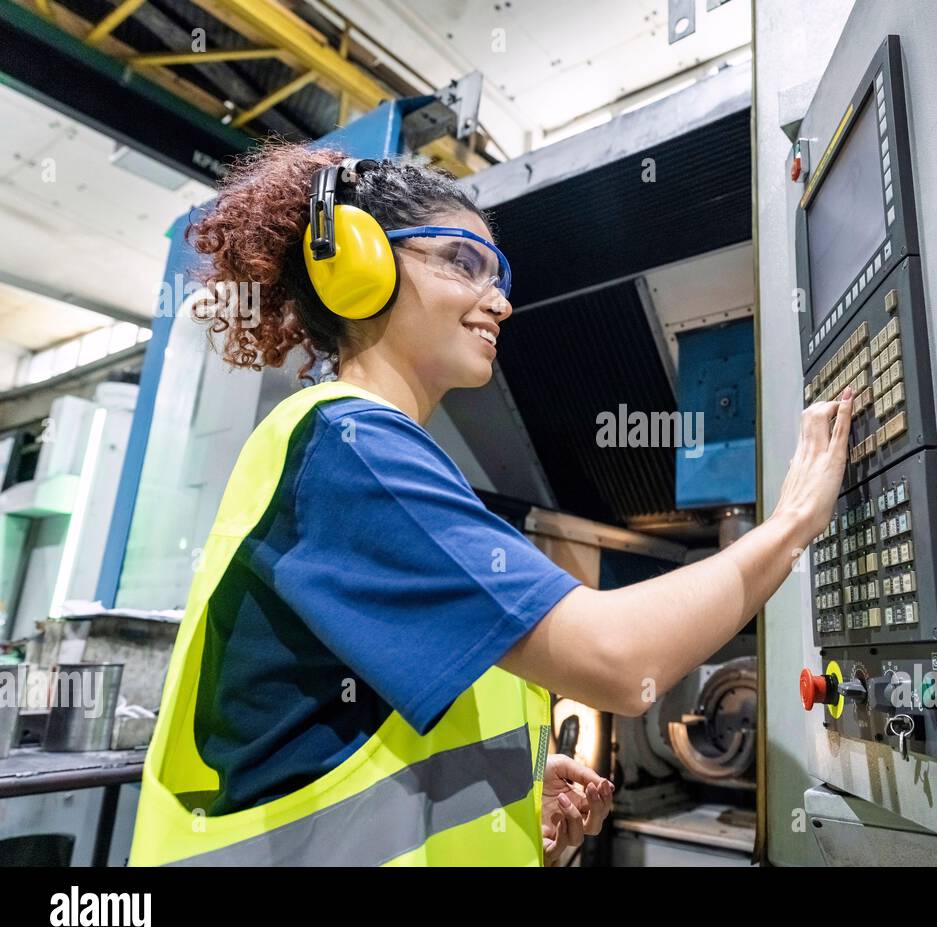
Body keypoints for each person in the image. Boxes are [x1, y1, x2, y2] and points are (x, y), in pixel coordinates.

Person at [129, 144, 852, 867]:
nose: (500, 300)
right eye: (463, 261)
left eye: (499, 276)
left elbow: (345, 748)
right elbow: (620, 660)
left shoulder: (375, 455)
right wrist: (791, 524)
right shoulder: (349, 446)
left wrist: (504, 796)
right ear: (357, 263)